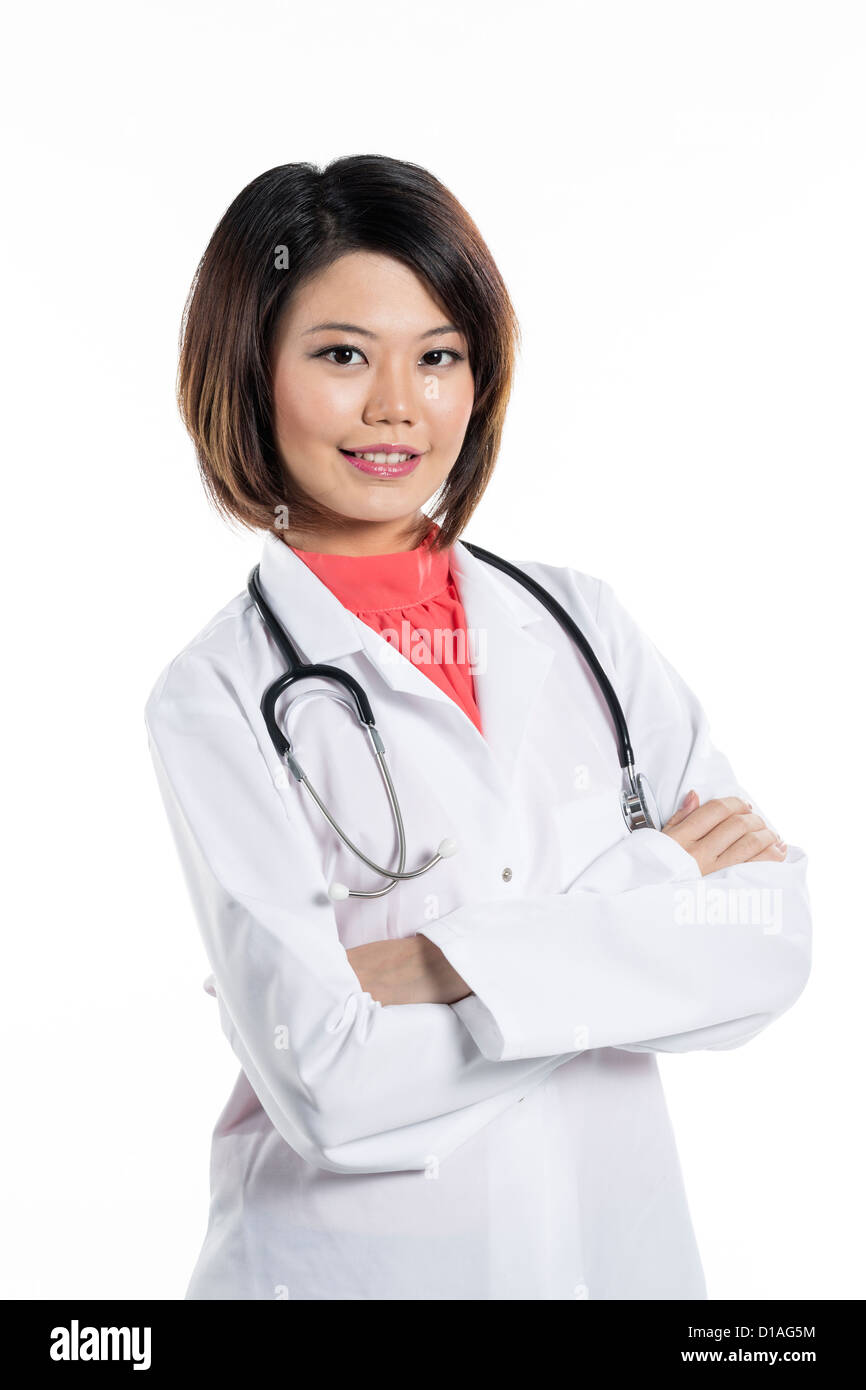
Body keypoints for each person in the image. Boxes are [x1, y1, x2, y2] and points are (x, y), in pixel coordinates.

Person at [144, 155, 812, 1301]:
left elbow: (763, 942)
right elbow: (329, 1088)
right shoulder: (215, 694)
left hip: (615, 1262)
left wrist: (431, 964)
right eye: (341, 353)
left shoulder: (576, 621)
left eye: (438, 356)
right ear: (248, 369)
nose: (397, 404)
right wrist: (642, 901)